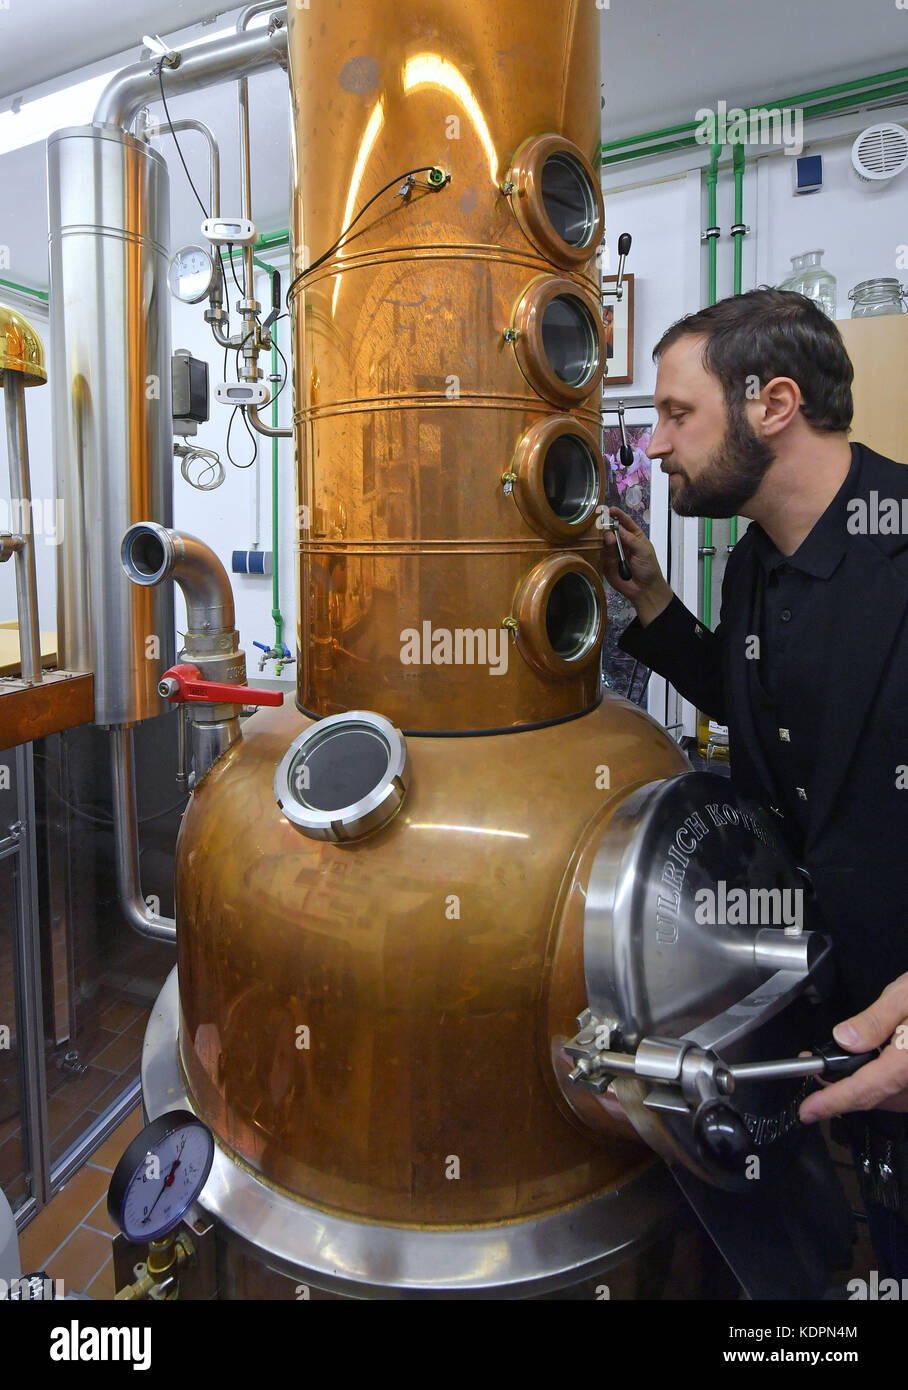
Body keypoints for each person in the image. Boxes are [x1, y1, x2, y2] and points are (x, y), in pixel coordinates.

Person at [602, 288, 908, 1279]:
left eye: (676, 414)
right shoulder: (754, 568)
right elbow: (759, 708)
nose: (652, 446)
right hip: (833, 998)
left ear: (772, 405)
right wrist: (648, 600)